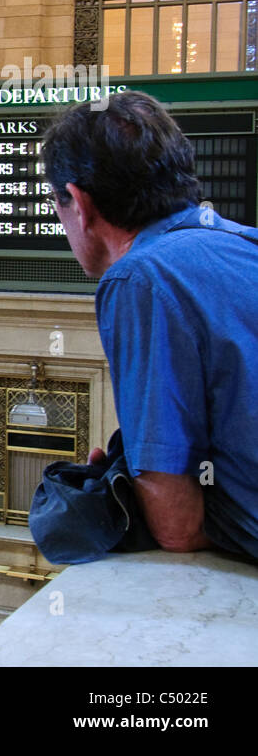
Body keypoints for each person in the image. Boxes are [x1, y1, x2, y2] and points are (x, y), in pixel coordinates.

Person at [42, 90, 258, 559]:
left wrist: (128, 489)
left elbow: (178, 527)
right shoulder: (246, 244)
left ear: (78, 202)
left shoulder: (139, 279)